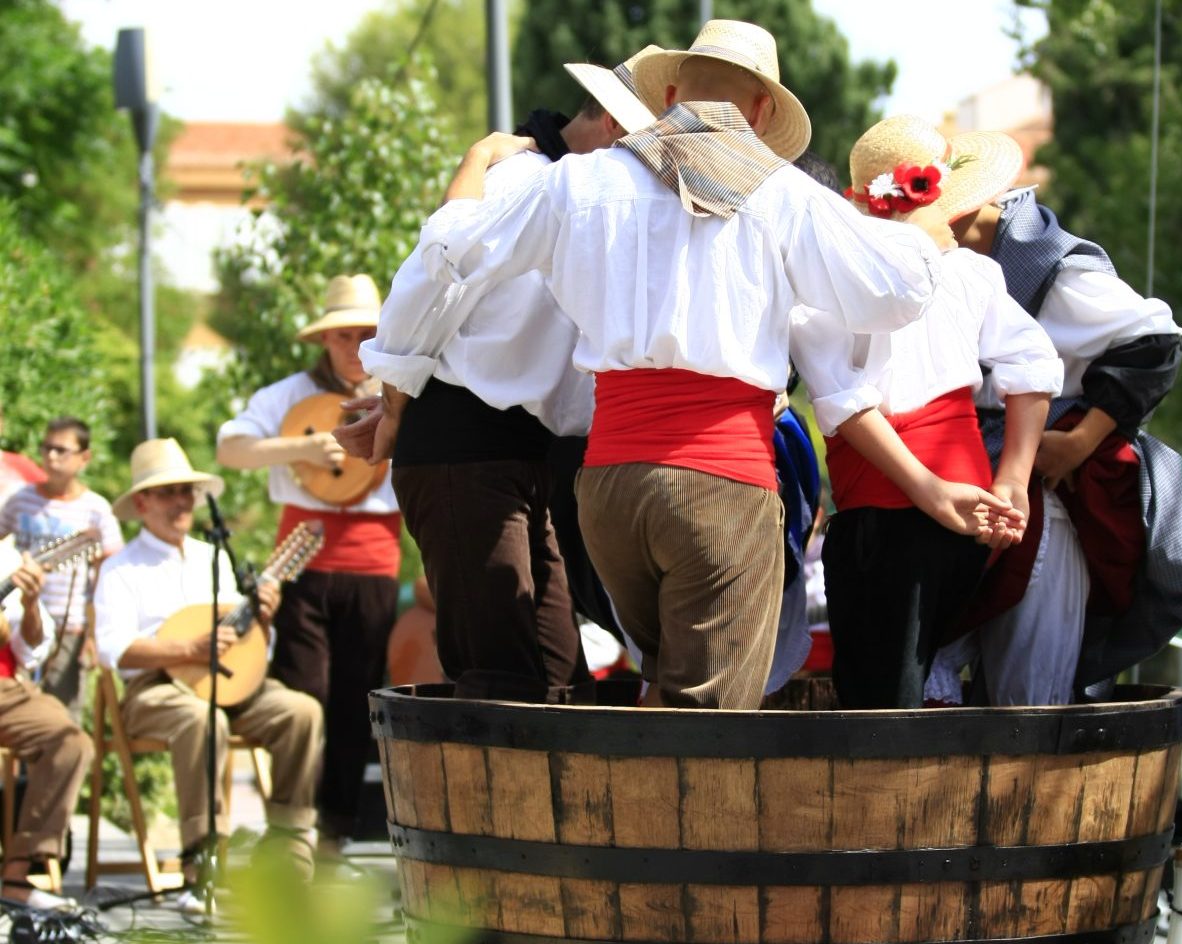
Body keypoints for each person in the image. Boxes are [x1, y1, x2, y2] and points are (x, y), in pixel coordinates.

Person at [407, 19, 1022, 710]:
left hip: (607, 487)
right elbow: (899, 291)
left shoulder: (577, 181)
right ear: (760, 111)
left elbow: (451, 248)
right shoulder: (780, 193)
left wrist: (477, 158)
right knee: (704, 730)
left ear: (668, 91)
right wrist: (915, 221)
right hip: (718, 482)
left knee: (664, 695)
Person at [342, 53, 659, 705]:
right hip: (465, 444)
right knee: (503, 682)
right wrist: (396, 403)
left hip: (517, 450)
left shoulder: (575, 188)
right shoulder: (524, 179)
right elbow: (427, 284)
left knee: (554, 674)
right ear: (607, 122)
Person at [800, 116, 1062, 709]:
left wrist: (931, 491)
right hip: (972, 510)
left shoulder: (830, 291)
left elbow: (845, 404)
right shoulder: (972, 274)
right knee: (919, 691)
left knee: (881, 712)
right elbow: (1035, 364)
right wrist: (1012, 480)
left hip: (893, 510)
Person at [934, 156, 1182, 705]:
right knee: (934, 677)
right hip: (971, 494)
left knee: (1029, 702)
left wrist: (1078, 443)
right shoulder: (964, 268)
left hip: (1046, 505)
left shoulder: (1055, 271)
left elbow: (1156, 342)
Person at [216, 276, 399, 847]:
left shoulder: (402, 391)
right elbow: (229, 448)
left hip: (375, 565)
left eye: (367, 333)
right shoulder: (287, 394)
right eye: (343, 335)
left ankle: (335, 837)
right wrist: (303, 446)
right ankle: (292, 831)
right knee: (303, 698)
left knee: (355, 704)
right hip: (301, 563)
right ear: (324, 340)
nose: (354, 345)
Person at [93, 439, 323, 888]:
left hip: (231, 684)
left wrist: (263, 618)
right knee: (202, 719)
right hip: (155, 689)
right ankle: (202, 858)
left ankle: (287, 851)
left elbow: (251, 646)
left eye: (186, 491)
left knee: (302, 712)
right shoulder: (121, 569)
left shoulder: (213, 557)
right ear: (141, 502)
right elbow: (112, 648)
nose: (181, 502)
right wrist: (186, 650)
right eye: (167, 492)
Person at [0, 417, 124, 717]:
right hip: (19, 622)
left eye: (61, 450)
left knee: (63, 713)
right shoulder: (19, 500)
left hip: (70, 624)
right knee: (22, 711)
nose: (51, 457)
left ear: (84, 457)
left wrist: (95, 634)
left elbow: (109, 577)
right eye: (46, 449)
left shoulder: (96, 509)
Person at [0, 545, 93, 909]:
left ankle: (18, 874)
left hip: (8, 689)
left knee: (71, 742)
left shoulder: (10, 560)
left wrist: (31, 604)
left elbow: (31, 649)